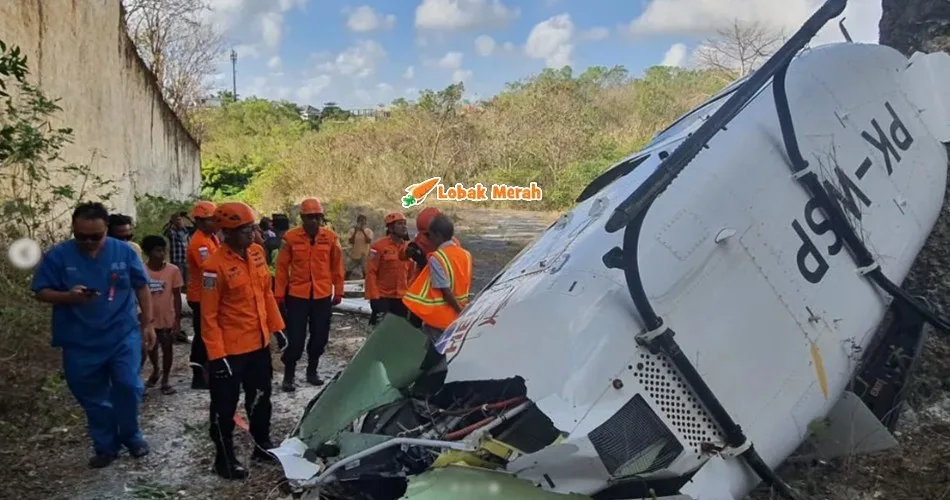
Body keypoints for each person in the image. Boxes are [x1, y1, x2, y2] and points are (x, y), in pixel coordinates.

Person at [30, 202, 156, 469]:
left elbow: (141, 286)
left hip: (121, 335)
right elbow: (41, 291)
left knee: (128, 386)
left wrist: (148, 323)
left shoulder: (124, 252)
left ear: (106, 229)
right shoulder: (59, 256)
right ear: (73, 231)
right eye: (81, 236)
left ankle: (132, 436)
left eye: (95, 236)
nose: (88, 242)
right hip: (79, 340)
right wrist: (68, 297)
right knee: (93, 397)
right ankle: (106, 446)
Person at [201, 201, 287, 479]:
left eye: (252, 227)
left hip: (258, 345)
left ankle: (262, 445)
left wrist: (278, 328)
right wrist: (216, 355)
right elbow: (208, 315)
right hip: (230, 351)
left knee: (261, 399)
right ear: (226, 232)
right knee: (224, 407)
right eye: (244, 229)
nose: (251, 233)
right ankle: (224, 458)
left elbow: (266, 295)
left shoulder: (258, 254)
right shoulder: (214, 267)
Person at [275, 198, 344, 391]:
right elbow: (281, 267)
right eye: (309, 217)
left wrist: (338, 290)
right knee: (295, 339)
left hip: (322, 296)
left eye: (316, 217)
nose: (313, 221)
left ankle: (312, 371)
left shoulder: (330, 238)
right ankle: (289, 375)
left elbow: (337, 266)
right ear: (302, 218)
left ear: (321, 218)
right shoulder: (290, 238)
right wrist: (279, 293)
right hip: (297, 296)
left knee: (320, 337)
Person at [402, 213, 472, 341]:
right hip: (458, 312)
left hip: (441, 317)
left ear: (438, 236)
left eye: (431, 236)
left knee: (435, 352)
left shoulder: (437, 258)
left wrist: (460, 311)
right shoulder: (466, 254)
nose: (429, 240)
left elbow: (445, 291)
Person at [140, 235, 183, 395]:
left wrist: (177, 319)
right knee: (151, 346)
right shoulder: (142, 270)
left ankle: (166, 378)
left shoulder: (173, 270)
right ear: (148, 252)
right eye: (157, 250)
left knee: (167, 347)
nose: (161, 253)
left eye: (163, 250)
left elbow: (177, 295)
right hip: (149, 316)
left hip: (167, 316)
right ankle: (156, 369)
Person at [185, 200, 220, 390]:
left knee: (208, 334)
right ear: (199, 222)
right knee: (202, 336)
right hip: (200, 297)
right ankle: (199, 375)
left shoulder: (212, 238)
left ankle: (207, 371)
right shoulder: (200, 243)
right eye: (210, 220)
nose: (215, 222)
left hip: (209, 295)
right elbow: (209, 268)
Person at [365, 212, 414, 326]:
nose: (404, 226)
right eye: (400, 224)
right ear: (391, 228)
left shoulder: (409, 248)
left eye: (405, 224)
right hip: (383, 297)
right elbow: (371, 272)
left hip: (402, 297)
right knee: (380, 330)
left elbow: (411, 274)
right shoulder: (378, 246)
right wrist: (374, 296)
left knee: (398, 330)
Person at [345, 214, 373, 279]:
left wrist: (363, 231)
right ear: (357, 222)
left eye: (363, 222)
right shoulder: (352, 231)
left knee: (365, 270)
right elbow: (351, 241)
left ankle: (365, 283)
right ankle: (345, 281)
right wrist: (355, 231)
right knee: (348, 269)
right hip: (354, 255)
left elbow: (368, 241)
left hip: (364, 255)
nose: (362, 223)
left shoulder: (368, 231)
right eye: (360, 222)